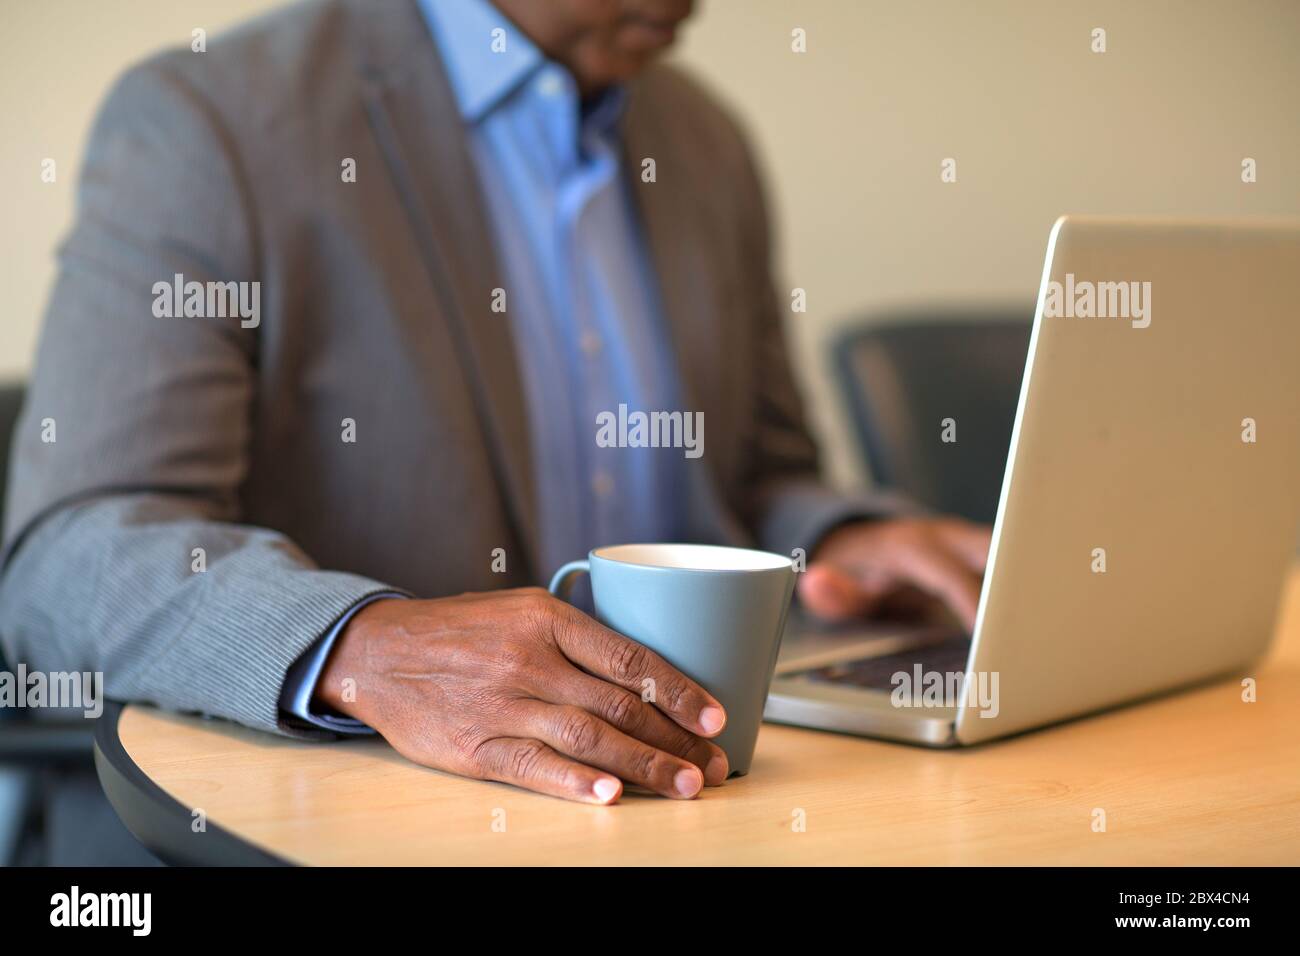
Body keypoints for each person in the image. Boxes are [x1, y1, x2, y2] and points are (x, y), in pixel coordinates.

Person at [0, 0, 990, 806]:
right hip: (353, 824)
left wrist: (842, 536)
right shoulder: (210, 120)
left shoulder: (704, 137)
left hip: (692, 806)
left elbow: (758, 474)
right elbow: (68, 553)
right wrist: (363, 646)